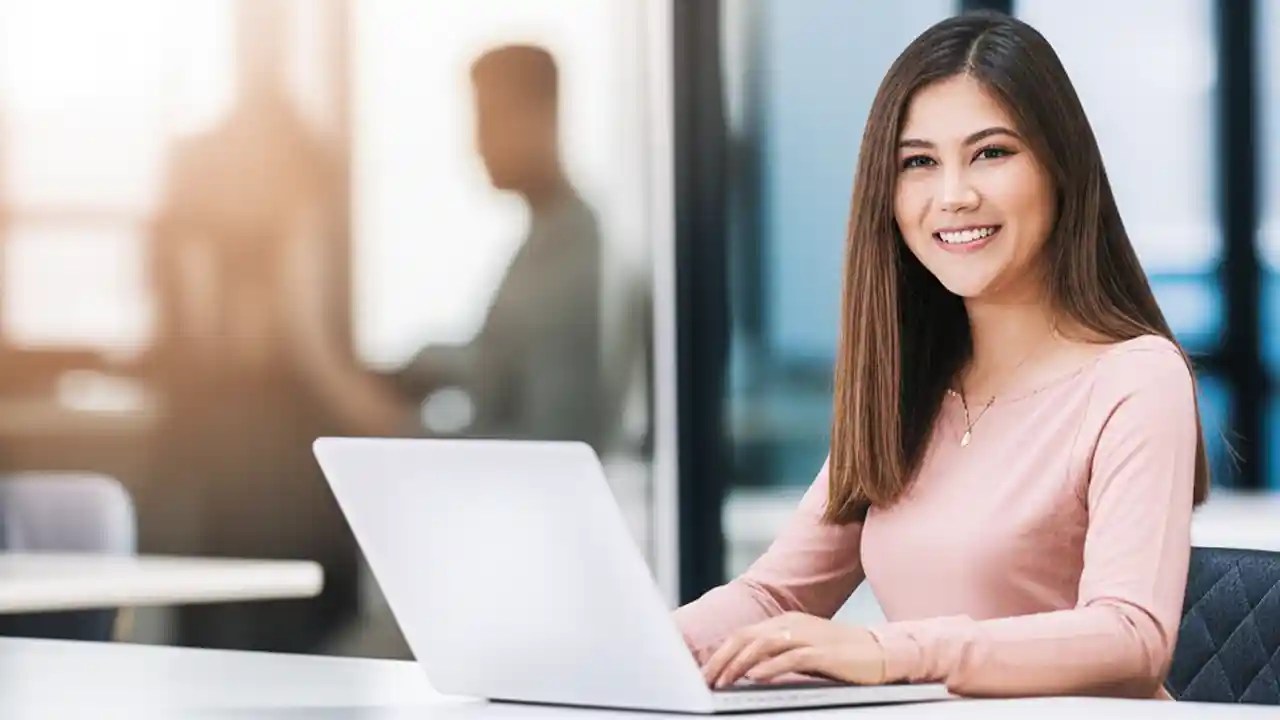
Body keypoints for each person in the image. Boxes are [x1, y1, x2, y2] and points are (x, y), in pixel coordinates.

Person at [674, 11, 1207, 700]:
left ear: (1059, 168)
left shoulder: (1135, 377)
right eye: (919, 162)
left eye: (992, 152)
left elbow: (1131, 634)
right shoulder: (907, 388)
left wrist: (890, 650)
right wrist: (632, 650)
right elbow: (776, 597)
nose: (953, 196)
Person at [306, 44, 608, 453]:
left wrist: (398, 430)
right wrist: (419, 368)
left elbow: (546, 447)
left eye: (490, 120)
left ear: (543, 116)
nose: (478, 146)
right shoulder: (548, 238)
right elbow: (504, 355)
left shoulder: (572, 260)